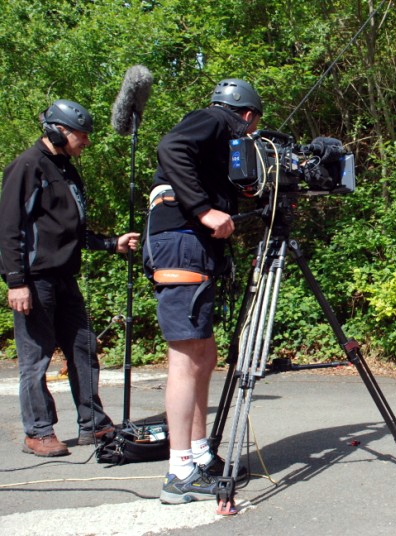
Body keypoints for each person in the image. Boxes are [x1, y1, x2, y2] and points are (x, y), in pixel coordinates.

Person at [144, 78, 262, 504]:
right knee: (185, 357)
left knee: (203, 354)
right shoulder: (215, 118)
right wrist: (204, 208)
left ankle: (197, 454)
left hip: (192, 244)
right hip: (181, 238)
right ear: (247, 115)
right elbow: (170, 147)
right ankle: (178, 473)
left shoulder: (222, 133)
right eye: (252, 130)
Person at [0, 99, 140, 457]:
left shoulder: (66, 168)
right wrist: (15, 281)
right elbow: (8, 227)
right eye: (82, 135)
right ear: (58, 131)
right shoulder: (28, 166)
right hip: (35, 280)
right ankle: (39, 431)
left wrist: (111, 244)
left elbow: (71, 230)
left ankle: (93, 423)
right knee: (36, 358)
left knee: (83, 347)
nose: (87, 143)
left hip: (65, 278)